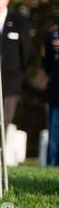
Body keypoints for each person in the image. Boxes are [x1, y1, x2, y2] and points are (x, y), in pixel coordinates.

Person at [0, 0, 30, 131]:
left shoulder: (19, 22)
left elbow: (25, 54)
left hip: (9, 84)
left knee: (3, 125)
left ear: (7, 0)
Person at [44, 26, 59, 167]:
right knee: (54, 132)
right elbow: (47, 63)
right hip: (56, 91)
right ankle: (52, 164)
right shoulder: (52, 34)